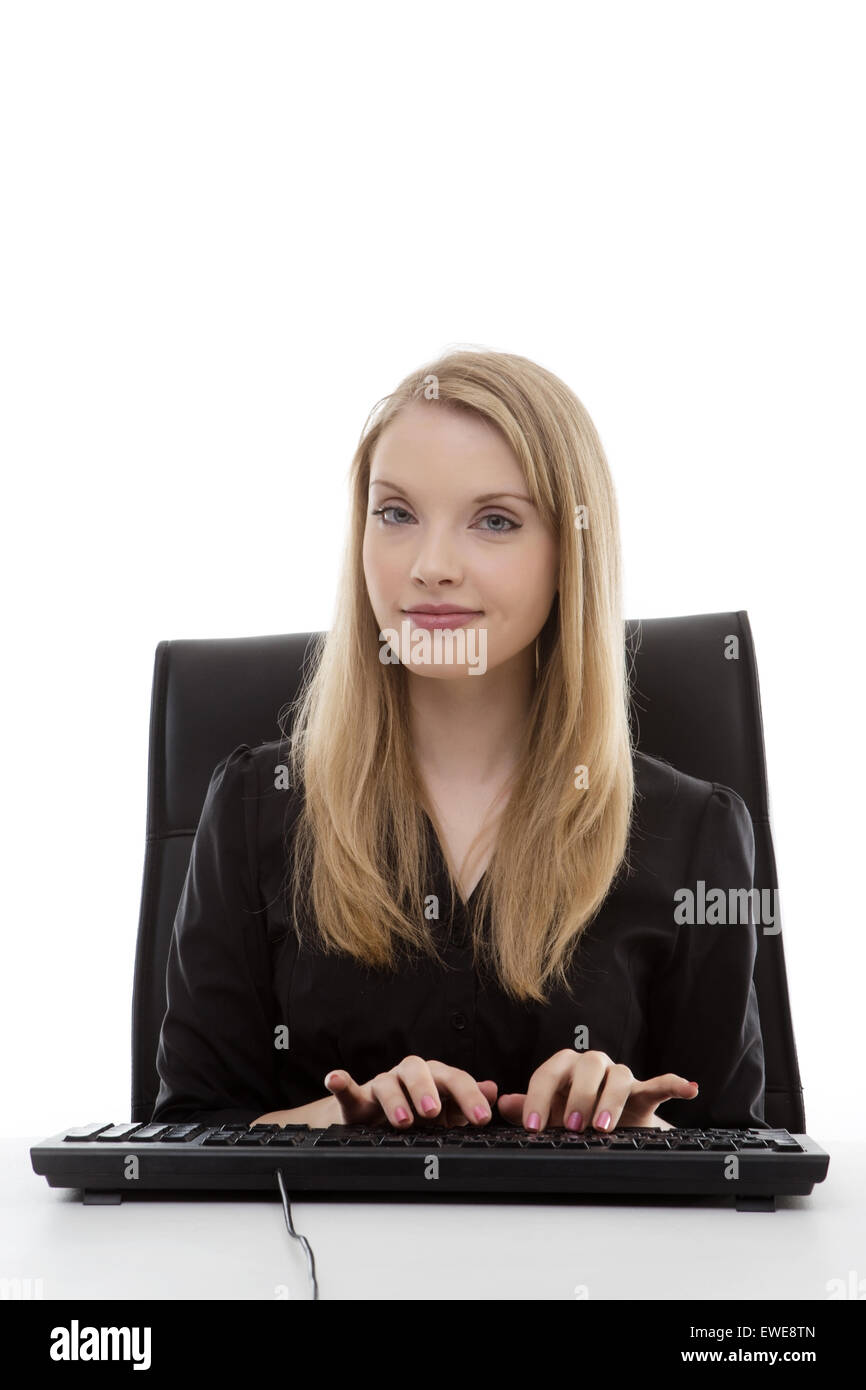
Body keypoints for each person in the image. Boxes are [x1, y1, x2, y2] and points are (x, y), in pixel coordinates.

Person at [151, 347, 766, 1135]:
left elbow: (744, 1165)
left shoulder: (696, 834)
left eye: (495, 521)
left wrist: (646, 1132)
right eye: (397, 514)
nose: (431, 566)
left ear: (568, 554)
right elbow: (187, 1137)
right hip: (328, 1258)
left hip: (598, 1261)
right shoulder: (253, 807)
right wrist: (339, 1123)